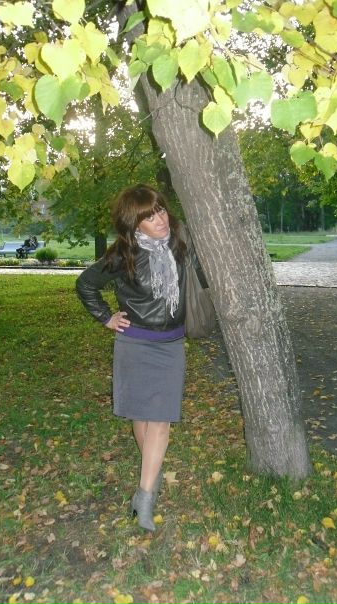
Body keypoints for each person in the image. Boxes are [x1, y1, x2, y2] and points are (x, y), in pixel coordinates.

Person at [76, 184, 193, 532]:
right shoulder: (122, 254)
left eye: (160, 210)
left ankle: (144, 496)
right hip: (135, 344)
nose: (160, 220)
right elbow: (86, 284)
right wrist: (106, 317)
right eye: (149, 216)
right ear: (133, 223)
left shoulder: (180, 242)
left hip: (171, 344)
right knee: (142, 415)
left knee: (161, 419)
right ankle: (150, 476)